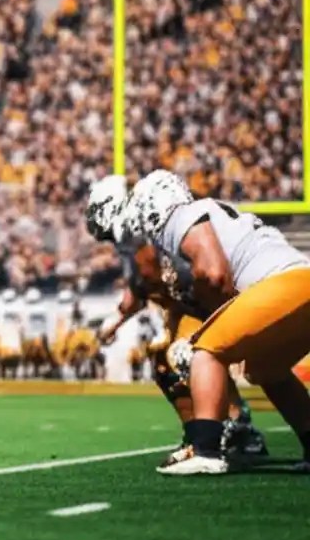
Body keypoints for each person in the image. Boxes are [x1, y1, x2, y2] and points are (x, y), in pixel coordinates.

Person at [119, 170, 307, 475]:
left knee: (205, 351)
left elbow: (214, 273)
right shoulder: (216, 213)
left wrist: (212, 328)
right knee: (266, 369)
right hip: (301, 284)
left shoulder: (183, 216)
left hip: (282, 285)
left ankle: (204, 449)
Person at [83, 174, 266, 462]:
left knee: (187, 357)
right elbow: (139, 289)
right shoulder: (137, 245)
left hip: (219, 298)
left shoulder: (160, 229)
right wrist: (116, 321)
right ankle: (209, 434)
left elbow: (200, 272)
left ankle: (231, 428)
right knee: (167, 359)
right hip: (192, 308)